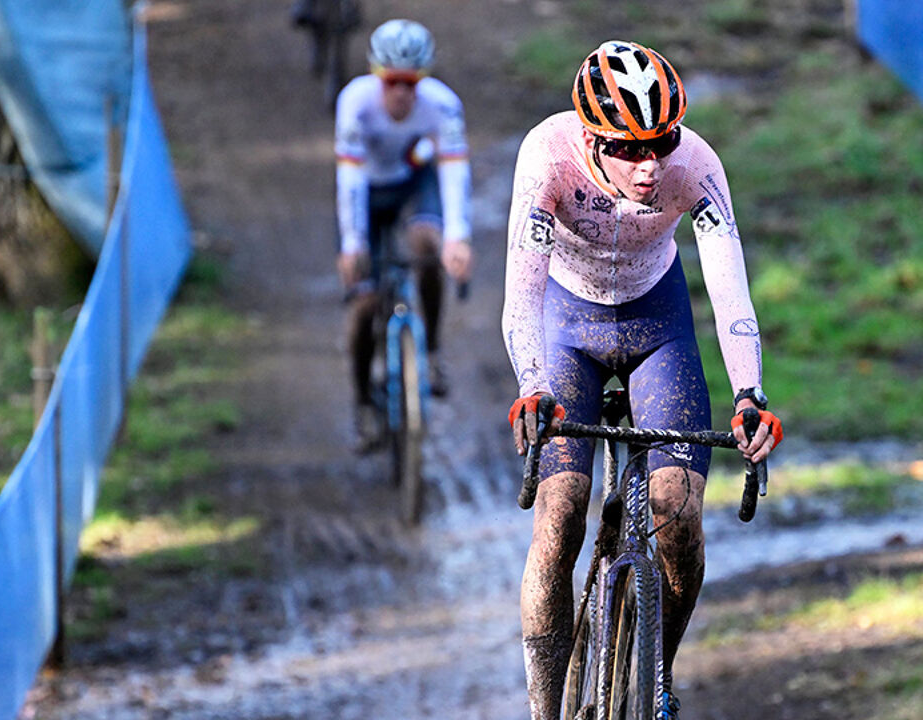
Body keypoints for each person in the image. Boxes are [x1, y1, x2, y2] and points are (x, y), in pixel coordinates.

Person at [502, 41, 784, 719]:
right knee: (561, 516)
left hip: (658, 326)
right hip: (568, 330)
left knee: (679, 515)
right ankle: (545, 710)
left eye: (661, 142)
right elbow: (521, 294)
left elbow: (731, 291)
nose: (650, 164)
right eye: (629, 149)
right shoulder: (548, 157)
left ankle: (654, 673)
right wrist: (534, 383)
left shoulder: (697, 166)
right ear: (592, 140)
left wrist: (750, 393)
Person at [335, 19, 474, 451]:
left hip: (415, 182)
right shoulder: (355, 102)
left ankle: (430, 351)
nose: (402, 93)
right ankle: (361, 405)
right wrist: (353, 244)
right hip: (369, 191)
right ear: (377, 75)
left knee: (426, 246)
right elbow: (351, 182)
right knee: (363, 305)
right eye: (392, 82)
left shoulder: (442, 105)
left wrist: (458, 238)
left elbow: (454, 173)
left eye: (412, 83)